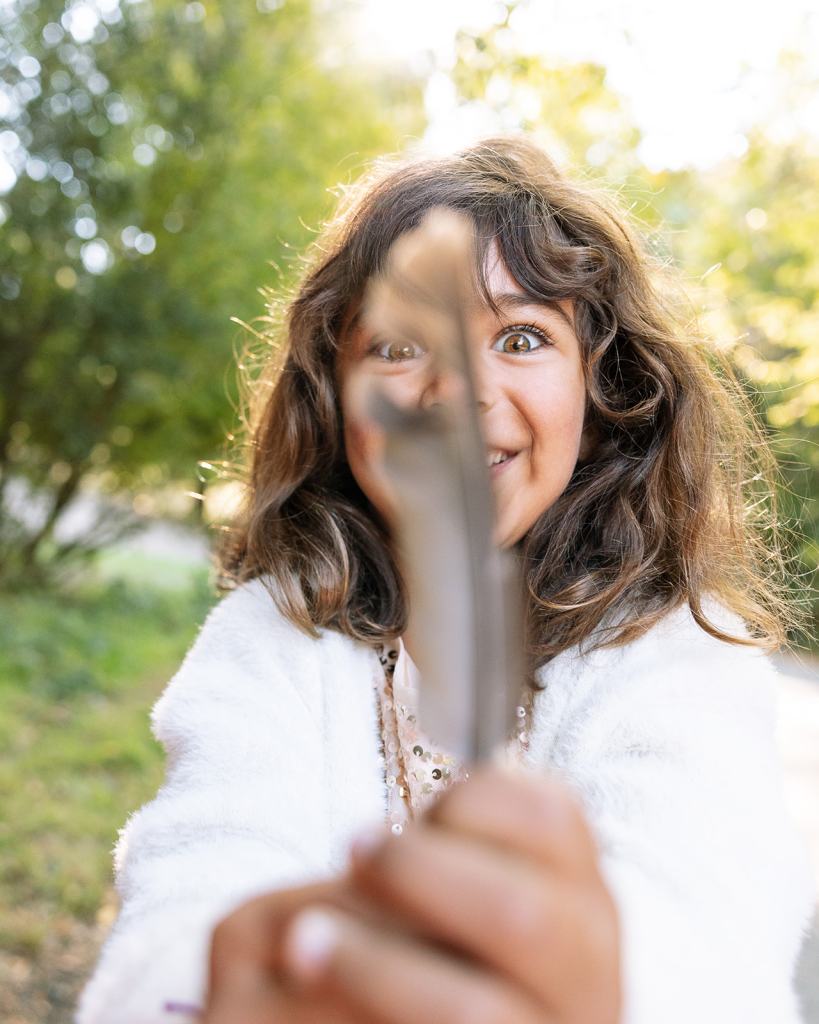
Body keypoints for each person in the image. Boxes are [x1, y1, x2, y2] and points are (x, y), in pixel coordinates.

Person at [75, 136, 816, 1024]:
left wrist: (595, 984)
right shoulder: (273, 637)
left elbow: (711, 935)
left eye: (520, 336)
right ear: (334, 393)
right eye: (398, 346)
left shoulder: (678, 660)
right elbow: (187, 893)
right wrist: (243, 977)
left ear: (602, 390)